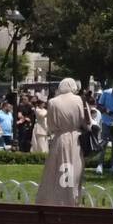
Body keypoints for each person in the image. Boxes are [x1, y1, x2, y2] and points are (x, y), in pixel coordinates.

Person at [37, 78, 86, 206]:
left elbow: (51, 125)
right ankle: (73, 198)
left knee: (57, 170)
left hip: (59, 139)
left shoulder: (53, 102)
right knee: (74, 168)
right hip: (76, 139)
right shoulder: (78, 100)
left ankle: (57, 199)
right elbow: (82, 120)